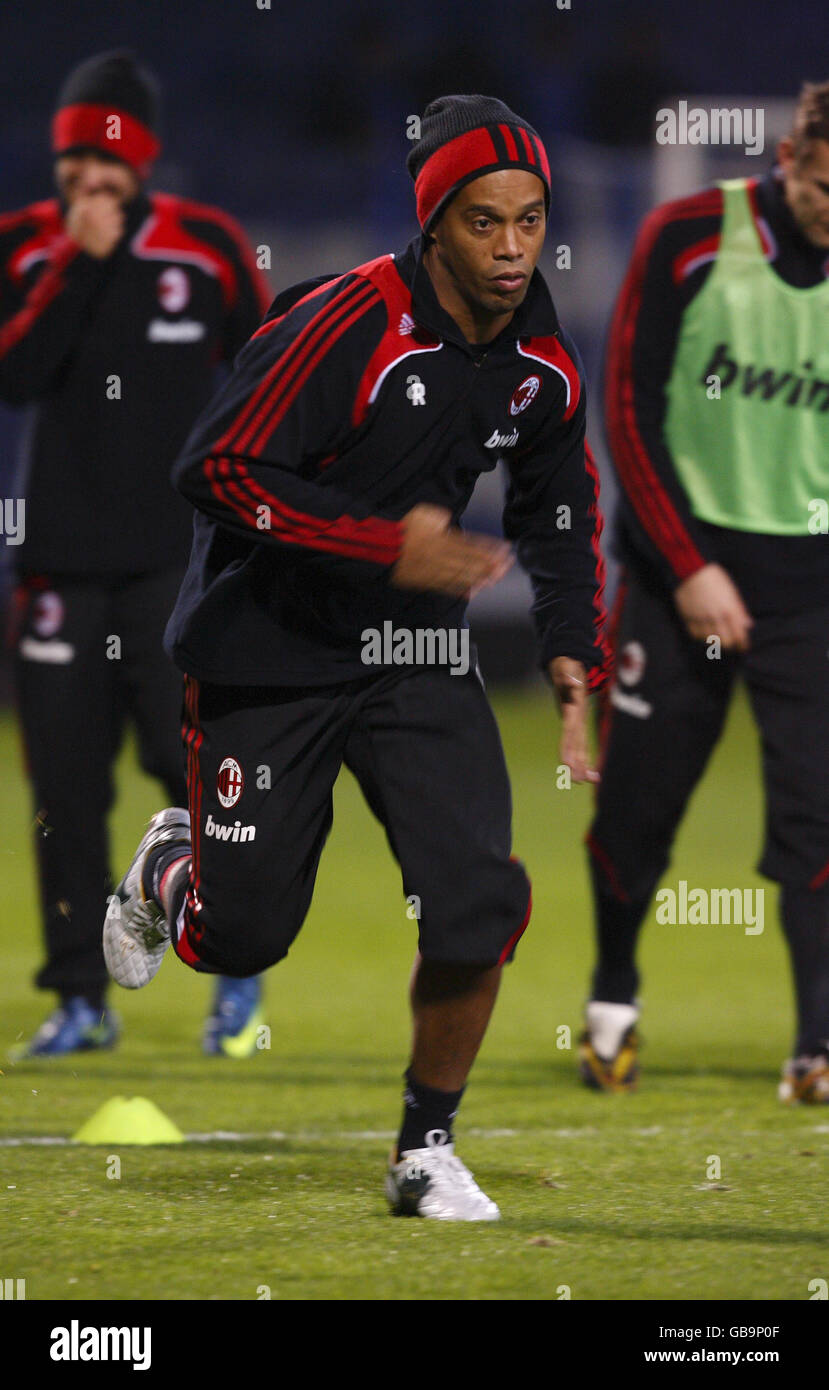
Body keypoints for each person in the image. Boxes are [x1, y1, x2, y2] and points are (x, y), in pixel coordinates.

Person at [104, 94, 610, 1220]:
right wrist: (388, 545)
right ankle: (170, 869)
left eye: (529, 219)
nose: (514, 247)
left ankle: (424, 1148)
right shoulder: (344, 324)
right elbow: (219, 470)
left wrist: (576, 645)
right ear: (434, 224)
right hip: (268, 650)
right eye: (485, 222)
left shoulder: (535, 349)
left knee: (479, 902)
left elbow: (558, 500)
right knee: (242, 937)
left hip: (414, 653)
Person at [1, 51, 271, 1057]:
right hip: (59, 574)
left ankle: (237, 968)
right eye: (74, 166)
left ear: (142, 160)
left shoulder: (207, 248)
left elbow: (268, 376)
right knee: (63, 794)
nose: (89, 183)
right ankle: (81, 1001)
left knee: (194, 776)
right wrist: (77, 259)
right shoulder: (25, 248)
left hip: (176, 568)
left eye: (106, 164)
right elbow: (16, 374)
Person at [579, 81, 829, 1101]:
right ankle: (612, 999)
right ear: (787, 158)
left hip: (809, 586)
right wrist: (687, 567)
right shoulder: (687, 236)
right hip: (674, 571)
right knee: (638, 810)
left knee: (815, 819)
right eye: (824, 186)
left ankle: (814, 1046)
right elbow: (627, 408)